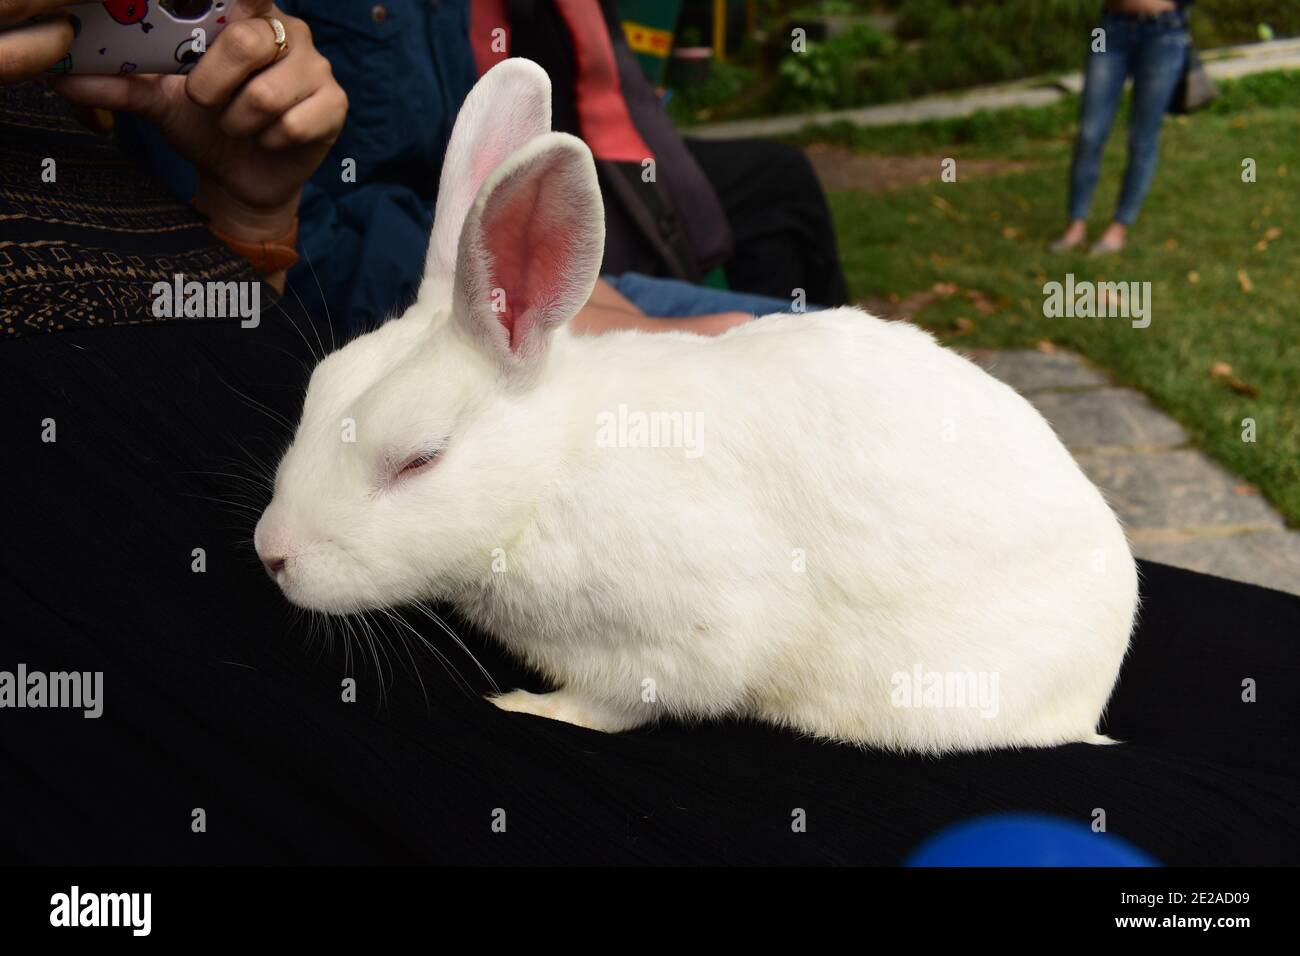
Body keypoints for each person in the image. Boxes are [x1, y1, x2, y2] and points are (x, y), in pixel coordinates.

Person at [1052, 0, 1193, 255]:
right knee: (1089, 132)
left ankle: (1119, 227)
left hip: (1165, 32)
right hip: (1110, 28)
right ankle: (1075, 223)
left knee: (1143, 136)